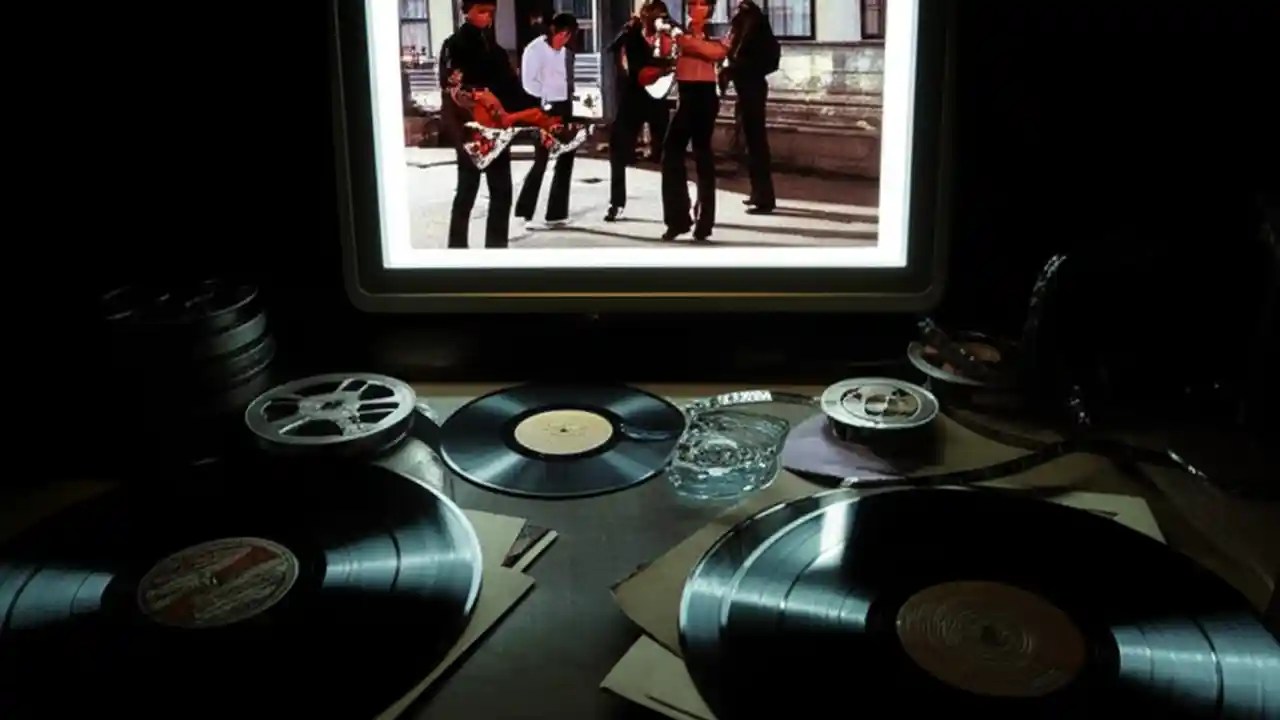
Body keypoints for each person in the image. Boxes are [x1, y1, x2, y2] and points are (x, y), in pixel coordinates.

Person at [442, 0, 533, 249]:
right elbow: (453, 86)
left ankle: (496, 248)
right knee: (467, 191)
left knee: (502, 192)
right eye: (481, 11)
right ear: (466, 12)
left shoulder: (496, 51)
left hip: (498, 129)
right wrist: (480, 96)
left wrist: (537, 108)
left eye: (491, 12)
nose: (487, 17)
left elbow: (513, 89)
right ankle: (457, 250)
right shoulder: (454, 45)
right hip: (469, 129)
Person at [660, 0, 727, 241]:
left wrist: (686, 42)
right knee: (670, 154)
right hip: (685, 94)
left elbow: (717, 52)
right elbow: (665, 54)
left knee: (702, 155)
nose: (695, 8)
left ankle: (704, 221)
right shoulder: (678, 30)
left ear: (709, 8)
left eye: (701, 4)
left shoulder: (717, 29)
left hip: (705, 94)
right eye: (691, 3)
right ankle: (678, 219)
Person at [604, 0, 673, 222]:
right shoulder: (631, 34)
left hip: (657, 97)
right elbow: (617, 55)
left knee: (668, 153)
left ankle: (674, 209)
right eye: (651, 15)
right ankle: (616, 202)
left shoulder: (671, 34)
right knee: (618, 149)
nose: (656, 20)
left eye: (659, 16)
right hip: (632, 97)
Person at [514, 13, 579, 230]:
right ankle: (525, 209)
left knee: (566, 157)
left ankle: (557, 212)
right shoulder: (535, 50)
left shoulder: (568, 53)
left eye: (568, 36)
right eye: (562, 34)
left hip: (565, 106)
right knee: (542, 157)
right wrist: (545, 99)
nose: (564, 39)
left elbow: (568, 80)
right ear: (552, 31)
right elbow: (528, 81)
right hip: (543, 105)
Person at [723, 0, 779, 213]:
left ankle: (763, 197)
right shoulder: (749, 18)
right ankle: (758, 193)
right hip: (748, 86)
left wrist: (732, 68)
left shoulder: (750, 20)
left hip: (751, 86)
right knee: (751, 141)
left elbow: (745, 56)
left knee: (755, 142)